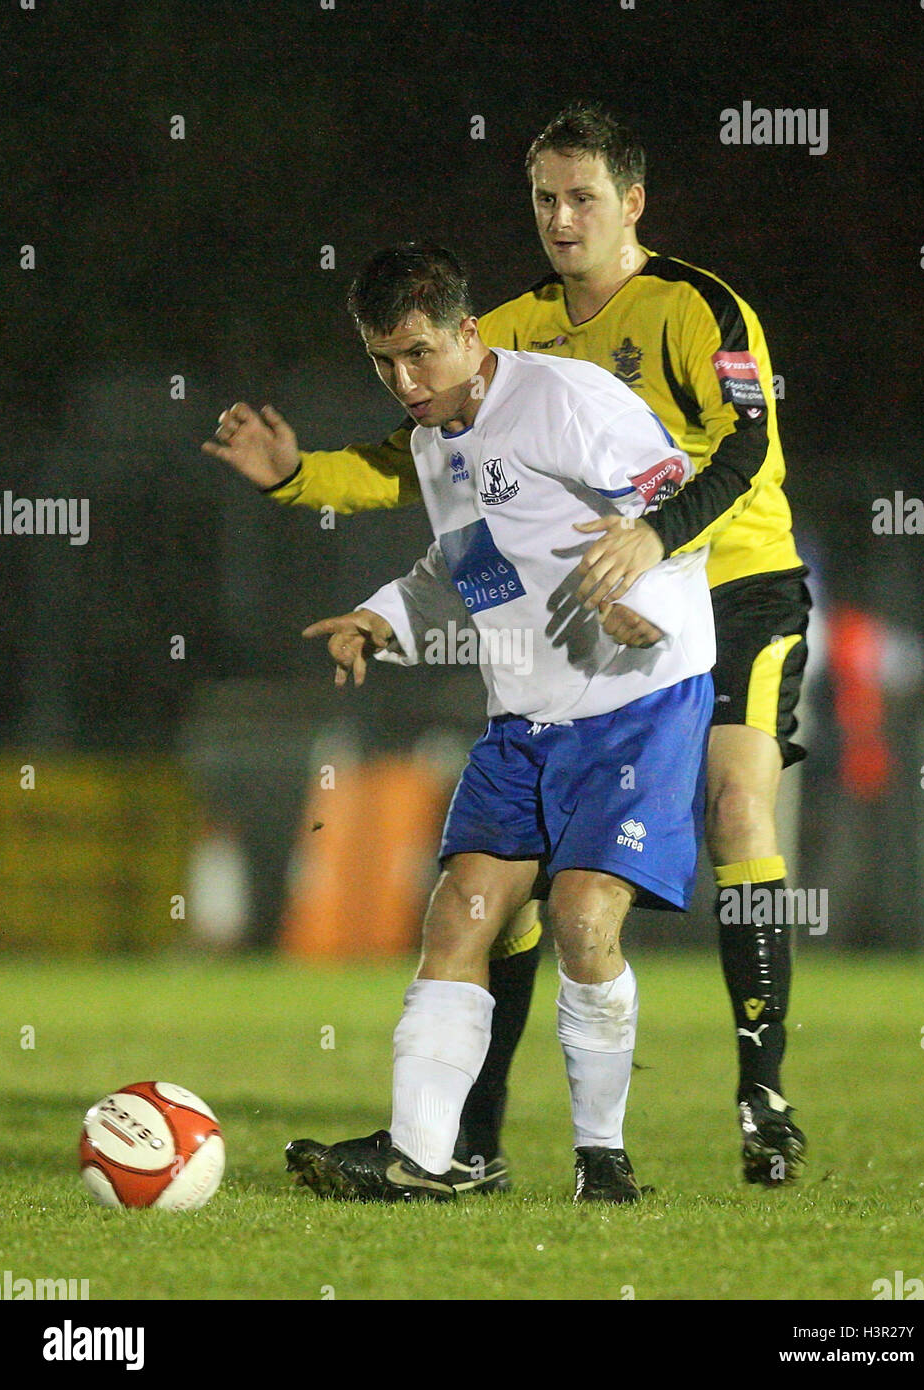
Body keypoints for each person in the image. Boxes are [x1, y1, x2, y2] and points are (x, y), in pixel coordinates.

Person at [202, 104, 809, 1188]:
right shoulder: (503, 334)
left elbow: (744, 443)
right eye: (541, 197)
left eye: (582, 196)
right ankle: (454, 1144)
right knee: (488, 903)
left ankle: (749, 1090)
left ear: (631, 202)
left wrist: (652, 557)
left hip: (721, 582)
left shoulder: (689, 310)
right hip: (557, 656)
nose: (560, 217)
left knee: (728, 811)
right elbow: (443, 501)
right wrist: (318, 506)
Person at [280, 242, 714, 1202]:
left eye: (420, 354)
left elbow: (680, 504)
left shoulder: (565, 402)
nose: (404, 382)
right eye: (383, 362)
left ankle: (602, 1158)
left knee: (580, 921)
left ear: (470, 335)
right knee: (459, 914)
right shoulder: (439, 441)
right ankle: (423, 1158)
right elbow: (468, 569)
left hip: (634, 705)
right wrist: (382, 617)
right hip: (522, 716)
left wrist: (648, 595)